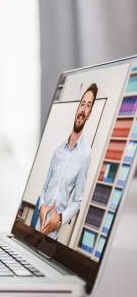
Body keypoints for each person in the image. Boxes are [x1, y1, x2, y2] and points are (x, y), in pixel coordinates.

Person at [38, 83, 97, 239]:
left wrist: (60, 219)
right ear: (77, 109)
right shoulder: (58, 150)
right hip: (37, 222)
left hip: (53, 233)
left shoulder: (85, 155)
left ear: (89, 113)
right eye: (82, 104)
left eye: (88, 106)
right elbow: (45, 186)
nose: (83, 109)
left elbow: (78, 201)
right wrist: (41, 206)